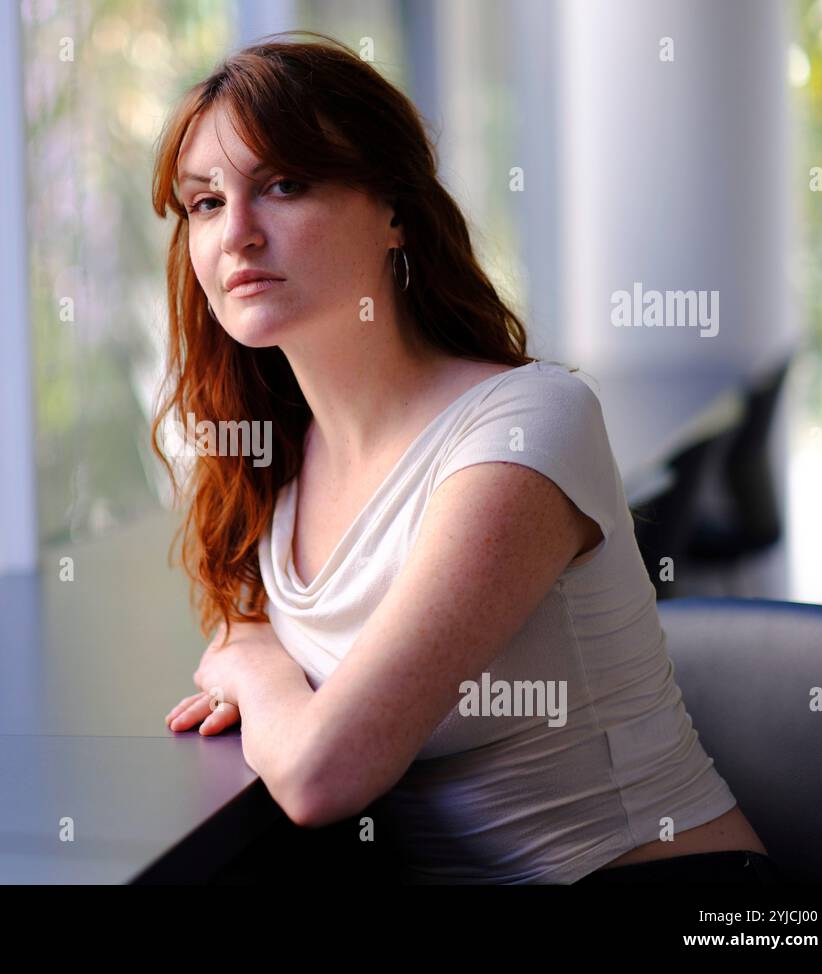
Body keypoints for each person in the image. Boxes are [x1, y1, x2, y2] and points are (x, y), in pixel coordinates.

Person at [150, 32, 779, 885]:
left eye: (285, 185)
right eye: (205, 202)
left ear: (397, 212)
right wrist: (250, 648)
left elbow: (317, 773)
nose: (239, 234)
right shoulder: (273, 463)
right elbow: (243, 623)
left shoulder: (522, 429)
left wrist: (255, 667)